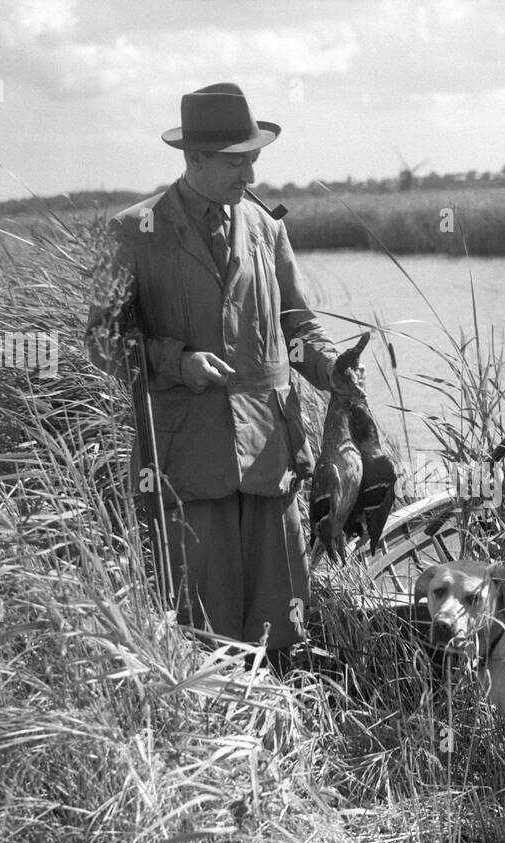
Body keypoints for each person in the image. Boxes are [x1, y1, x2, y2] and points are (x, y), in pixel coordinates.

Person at [84, 82, 362, 666]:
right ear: (194, 159)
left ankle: (282, 739)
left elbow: (299, 326)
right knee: (196, 632)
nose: (250, 176)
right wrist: (177, 362)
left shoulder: (268, 229)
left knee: (280, 625)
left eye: (254, 159)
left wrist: (330, 367)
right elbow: (100, 340)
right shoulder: (130, 233)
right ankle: (211, 743)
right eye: (237, 162)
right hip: (186, 462)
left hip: (270, 460)